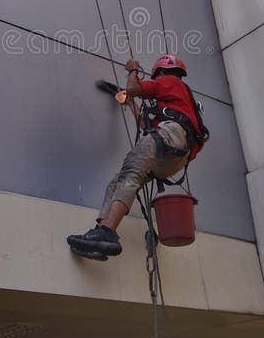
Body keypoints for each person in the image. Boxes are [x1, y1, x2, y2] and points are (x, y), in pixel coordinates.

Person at [67, 54, 205, 260]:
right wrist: (131, 104)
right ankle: (101, 234)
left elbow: (133, 88)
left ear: (160, 72)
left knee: (130, 171)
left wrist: (132, 70)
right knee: (118, 181)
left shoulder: (168, 81)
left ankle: (107, 234)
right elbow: (144, 126)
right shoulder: (179, 102)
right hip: (175, 156)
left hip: (169, 138)